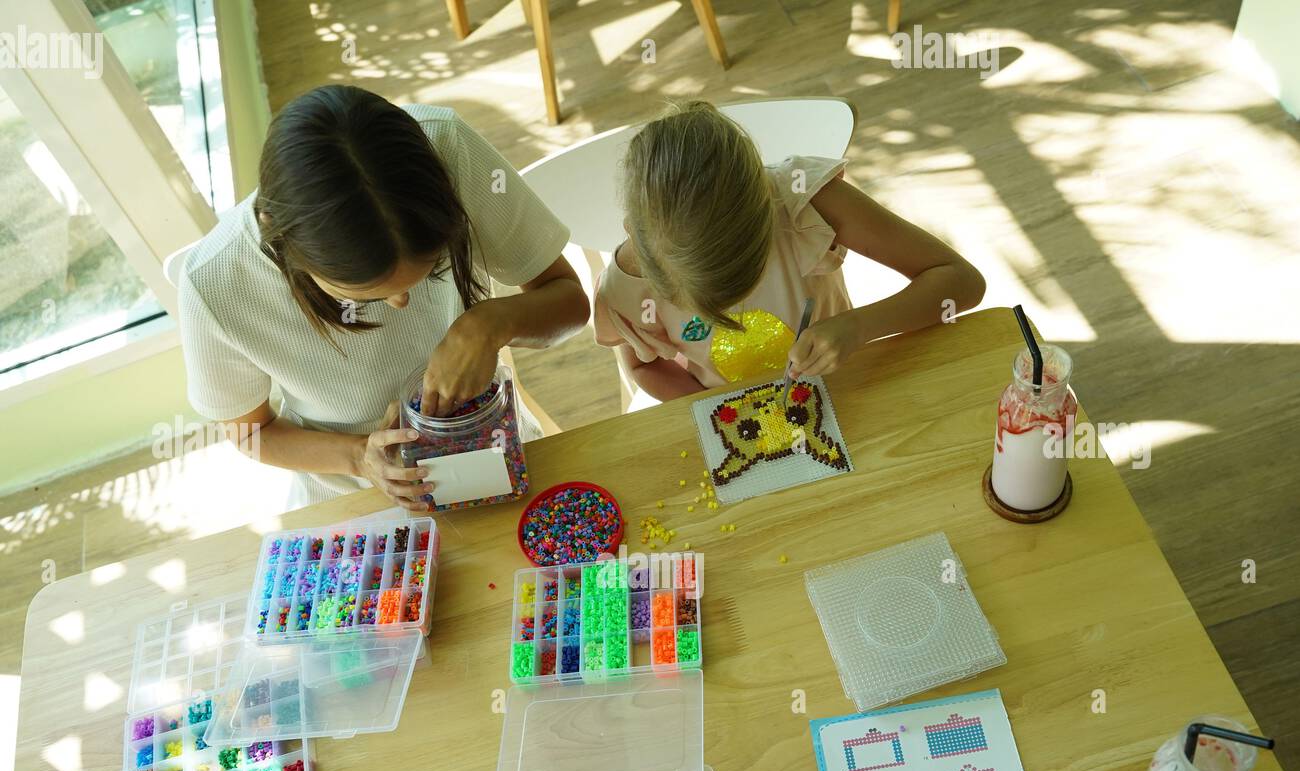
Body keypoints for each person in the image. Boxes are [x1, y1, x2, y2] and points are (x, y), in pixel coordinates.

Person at [179, 85, 589, 509]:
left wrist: (489, 324)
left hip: (488, 450)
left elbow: (571, 303)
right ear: (280, 238)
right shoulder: (214, 286)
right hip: (348, 495)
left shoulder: (445, 147)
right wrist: (358, 455)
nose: (402, 304)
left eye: (429, 270)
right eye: (367, 295)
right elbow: (250, 433)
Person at [593, 101, 985, 400]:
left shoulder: (805, 203)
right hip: (726, 405)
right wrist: (712, 409)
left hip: (846, 382)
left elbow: (961, 282)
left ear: (769, 206)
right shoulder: (623, 289)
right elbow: (644, 366)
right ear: (633, 234)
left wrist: (859, 327)